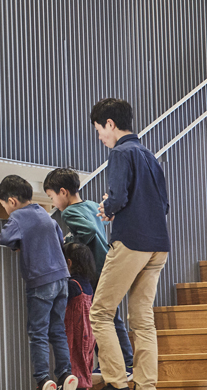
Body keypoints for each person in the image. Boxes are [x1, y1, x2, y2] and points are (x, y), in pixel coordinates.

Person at [88, 98, 170, 390]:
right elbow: (164, 203)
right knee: (143, 320)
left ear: (110, 124)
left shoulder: (121, 153)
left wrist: (108, 208)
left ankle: (117, 383)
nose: (100, 137)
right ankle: (146, 385)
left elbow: (119, 197)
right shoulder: (149, 154)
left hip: (132, 242)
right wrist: (115, 206)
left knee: (100, 312)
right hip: (159, 244)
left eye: (99, 130)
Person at [44, 168, 134, 377]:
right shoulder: (93, 206)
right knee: (109, 316)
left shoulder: (69, 212)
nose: (53, 203)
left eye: (52, 197)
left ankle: (124, 362)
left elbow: (88, 232)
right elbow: (99, 225)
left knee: (99, 317)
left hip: (93, 268)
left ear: (63, 192)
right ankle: (117, 361)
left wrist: (69, 242)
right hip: (108, 264)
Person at [0, 175, 78, 390]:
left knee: (38, 332)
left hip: (41, 281)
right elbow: (59, 238)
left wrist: (17, 243)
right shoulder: (44, 213)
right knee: (57, 329)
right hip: (62, 279)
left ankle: (43, 379)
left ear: (12, 201)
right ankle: (65, 374)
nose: (5, 209)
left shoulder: (18, 218)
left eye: (3, 204)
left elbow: (4, 238)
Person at [62, 242, 97, 389]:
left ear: (68, 263)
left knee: (74, 362)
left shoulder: (72, 285)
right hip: (89, 332)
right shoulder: (87, 284)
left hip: (76, 331)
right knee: (85, 362)